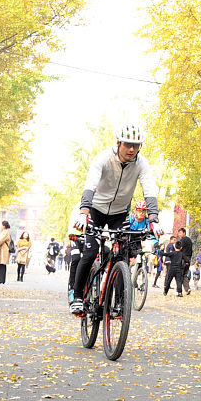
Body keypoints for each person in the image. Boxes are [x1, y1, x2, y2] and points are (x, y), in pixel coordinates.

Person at [70, 124, 160, 314]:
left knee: (123, 256)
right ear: (118, 142)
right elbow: (90, 185)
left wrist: (153, 218)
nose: (132, 149)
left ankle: (119, 302)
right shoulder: (103, 158)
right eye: (128, 144)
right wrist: (84, 212)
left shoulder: (141, 163)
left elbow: (149, 190)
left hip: (120, 213)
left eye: (136, 145)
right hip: (96, 209)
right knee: (91, 251)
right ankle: (77, 296)